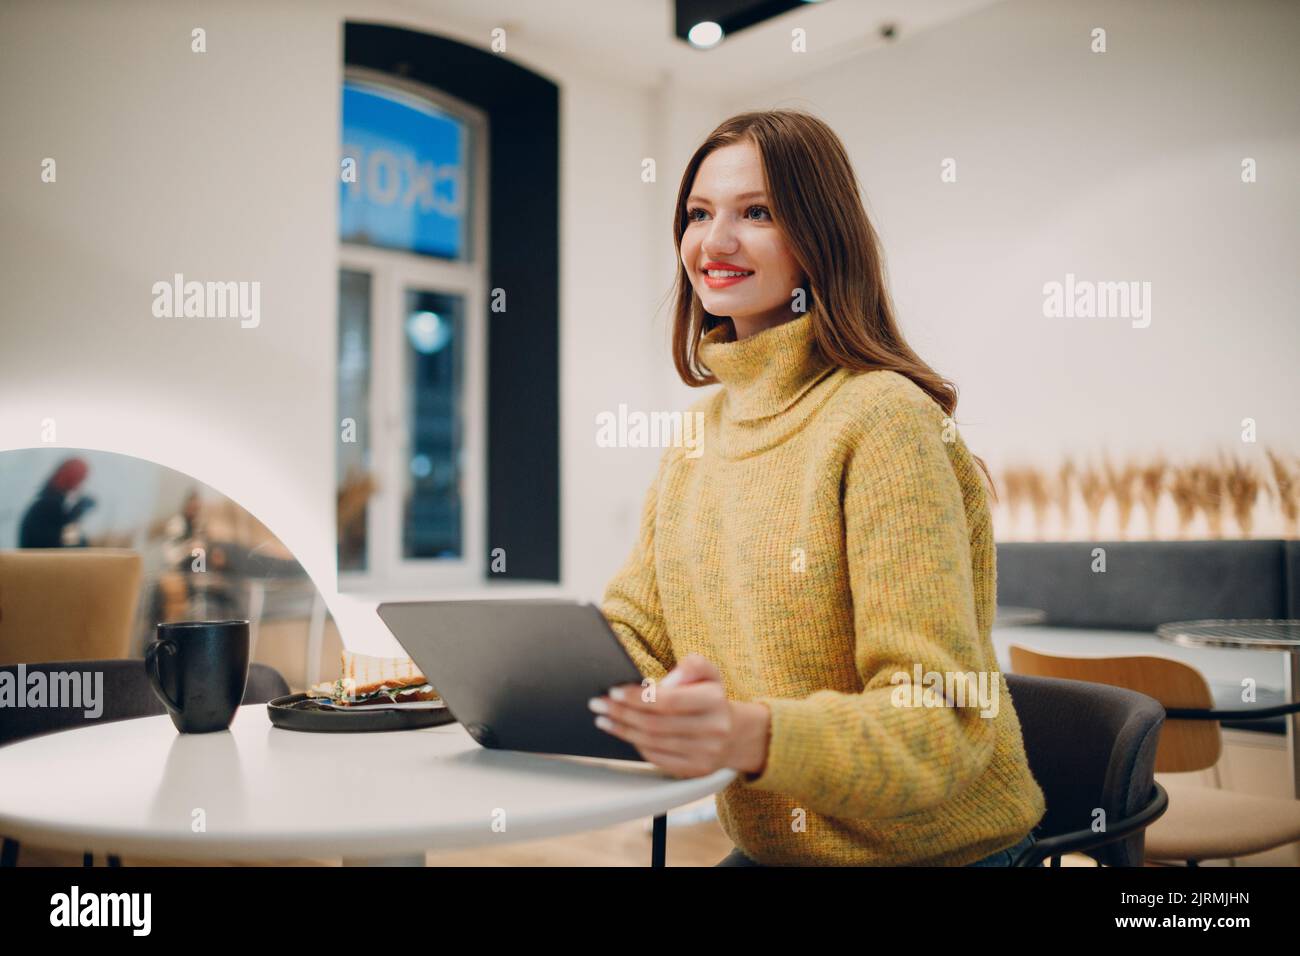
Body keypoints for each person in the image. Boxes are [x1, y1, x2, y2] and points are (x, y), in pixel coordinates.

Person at [592, 110, 1046, 866]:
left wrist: (750, 734)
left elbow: (938, 720)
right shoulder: (702, 432)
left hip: (931, 853)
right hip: (779, 850)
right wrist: (525, 684)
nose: (715, 242)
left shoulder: (882, 419)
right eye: (699, 214)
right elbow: (637, 633)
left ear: (819, 238)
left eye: (757, 213)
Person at [18, 457, 95, 548]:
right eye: (80, 478)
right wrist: (76, 515)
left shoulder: (48, 503)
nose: (81, 484)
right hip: (43, 559)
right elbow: (71, 543)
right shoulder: (49, 505)